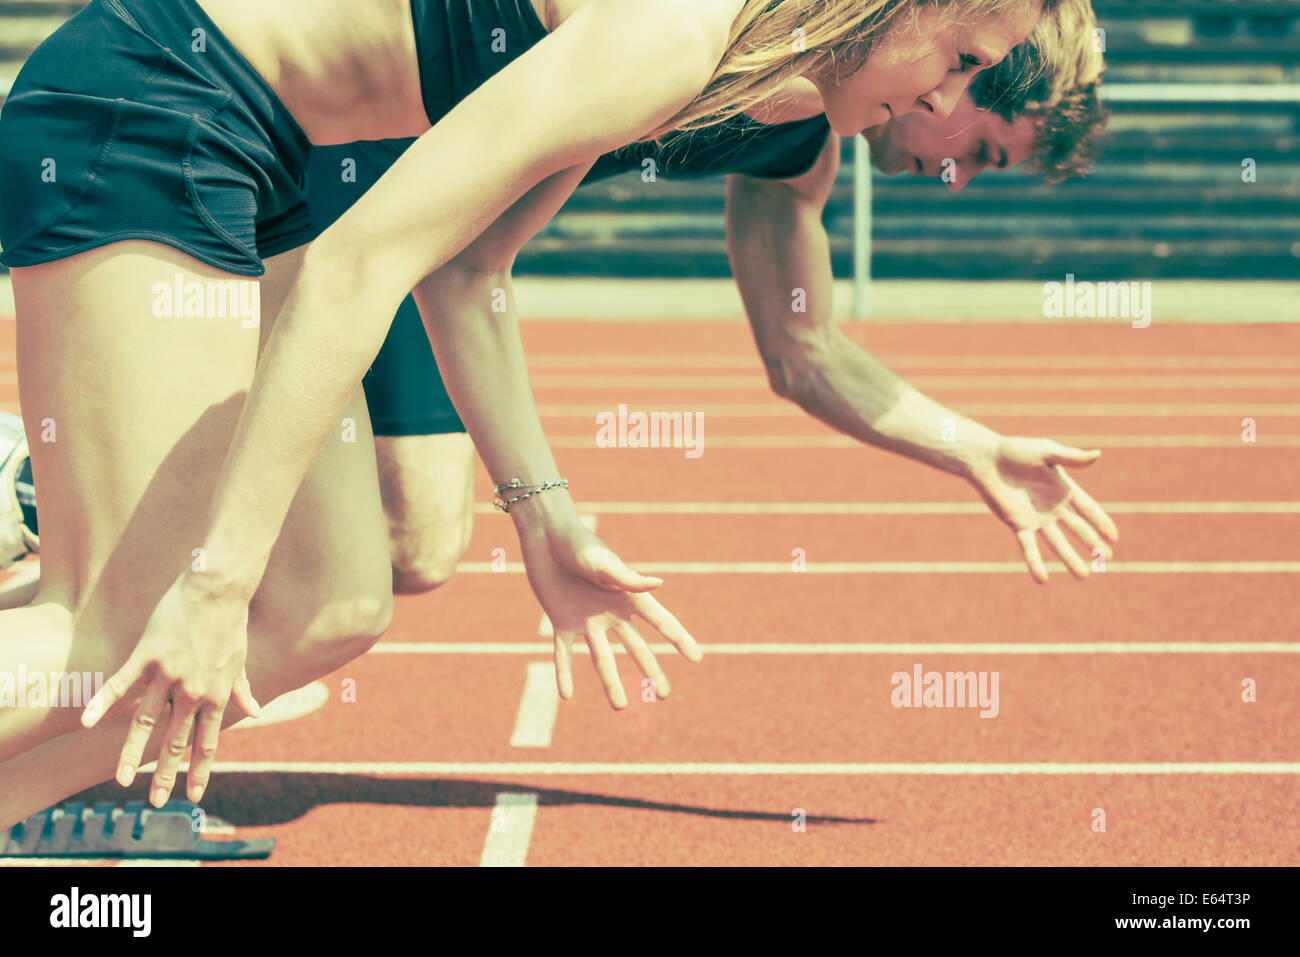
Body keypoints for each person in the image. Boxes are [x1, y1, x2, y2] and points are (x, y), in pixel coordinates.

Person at [0, 0, 1066, 826]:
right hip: (156, 101)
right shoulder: (677, 36)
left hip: (271, 153)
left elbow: (468, 273)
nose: (939, 101)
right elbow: (352, 271)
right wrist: (216, 578)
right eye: (963, 59)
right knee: (129, 625)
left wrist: (542, 513)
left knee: (328, 609)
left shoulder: (723, 71)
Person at [291, 0, 1110, 601]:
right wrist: (545, 509)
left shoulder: (799, 143)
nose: (956, 181)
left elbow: (804, 350)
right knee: (345, 589)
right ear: (962, 68)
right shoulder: (721, 46)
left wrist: (970, 449)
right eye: (985, 156)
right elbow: (469, 265)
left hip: (427, 209)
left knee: (412, 546)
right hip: (350, 141)